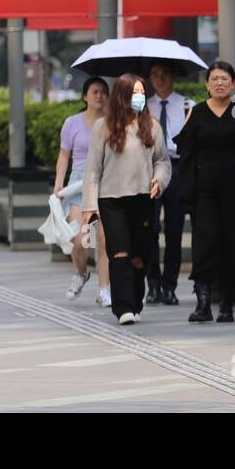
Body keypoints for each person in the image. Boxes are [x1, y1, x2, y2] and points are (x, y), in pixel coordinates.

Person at [175, 60, 235, 324]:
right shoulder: (197, 112)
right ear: (207, 84)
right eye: (214, 79)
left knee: (232, 245)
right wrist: (187, 193)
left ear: (233, 84)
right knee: (204, 243)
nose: (220, 83)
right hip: (204, 192)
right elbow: (186, 155)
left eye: (225, 79)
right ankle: (203, 304)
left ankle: (227, 304)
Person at [80, 74, 171, 325]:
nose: (140, 98)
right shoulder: (103, 126)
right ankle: (122, 308)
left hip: (143, 197)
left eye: (143, 93)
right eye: (135, 93)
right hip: (112, 199)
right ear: (122, 96)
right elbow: (92, 169)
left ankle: (135, 301)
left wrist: (159, 180)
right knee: (119, 252)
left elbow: (162, 161)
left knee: (140, 255)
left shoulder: (152, 126)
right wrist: (90, 205)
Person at [54, 77, 110, 302]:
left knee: (104, 240)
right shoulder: (72, 123)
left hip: (105, 183)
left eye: (103, 92)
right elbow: (64, 155)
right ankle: (81, 272)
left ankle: (104, 289)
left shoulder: (111, 122)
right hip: (78, 185)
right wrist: (59, 183)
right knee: (79, 239)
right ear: (84, 97)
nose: (99, 96)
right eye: (95, 92)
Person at [144, 62, 192, 305]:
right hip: (149, 168)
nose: (159, 79)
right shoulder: (143, 106)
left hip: (177, 167)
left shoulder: (187, 105)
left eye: (164, 75)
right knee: (150, 228)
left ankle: (170, 286)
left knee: (174, 229)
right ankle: (152, 284)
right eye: (154, 75)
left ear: (173, 77)